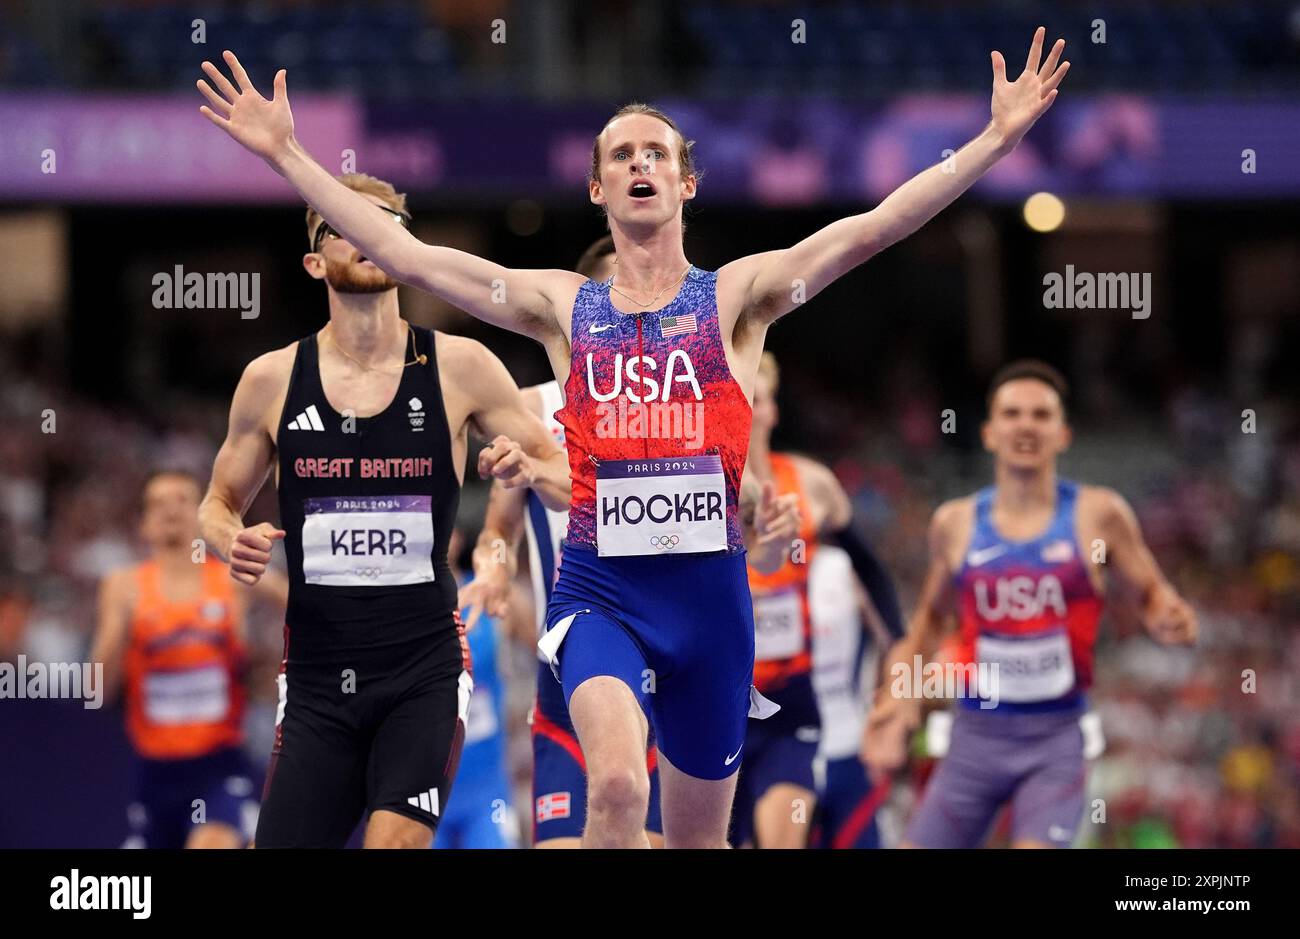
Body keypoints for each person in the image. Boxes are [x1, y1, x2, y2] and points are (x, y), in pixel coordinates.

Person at [196, 29, 1070, 846]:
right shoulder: (559, 306)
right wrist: (284, 153)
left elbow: (872, 228)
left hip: (711, 604)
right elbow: (410, 254)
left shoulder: (736, 299)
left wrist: (992, 143)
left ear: (686, 183)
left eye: (657, 152)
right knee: (615, 788)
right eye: (621, 154)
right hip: (601, 591)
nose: (640, 163)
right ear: (598, 189)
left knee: (694, 837)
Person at [196, 173, 570, 848]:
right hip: (316, 681)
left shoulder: (462, 366)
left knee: (393, 842)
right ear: (314, 262)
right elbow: (217, 503)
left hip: (422, 670)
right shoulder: (273, 378)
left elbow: (569, 477)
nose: (366, 233)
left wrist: (530, 467)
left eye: (382, 220)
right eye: (344, 222)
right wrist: (230, 537)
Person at [864, 360, 1198, 848]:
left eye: (1041, 415)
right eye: (1012, 413)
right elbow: (929, 624)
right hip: (974, 739)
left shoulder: (1098, 514)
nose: (1025, 425)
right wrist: (897, 704)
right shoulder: (955, 523)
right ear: (989, 432)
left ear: (1063, 434)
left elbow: (1153, 591)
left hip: (1055, 742)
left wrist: (1168, 614)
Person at [731, 352, 904, 848]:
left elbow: (873, 574)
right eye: (734, 400)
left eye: (755, 400)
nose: (744, 411)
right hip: (717, 700)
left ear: (771, 411)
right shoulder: (696, 490)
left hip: (789, 703)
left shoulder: (811, 485)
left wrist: (898, 660)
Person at [92, 469, 287, 848]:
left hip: (219, 767)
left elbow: (302, 602)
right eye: (158, 504)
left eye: (182, 500)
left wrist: (283, 668)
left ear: (202, 516)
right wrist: (122, 630)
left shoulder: (234, 580)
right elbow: (96, 690)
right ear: (143, 524)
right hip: (154, 774)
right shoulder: (124, 586)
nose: (171, 511)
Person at [432, 527, 521, 849]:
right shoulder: (397, 610)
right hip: (422, 791)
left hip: (487, 790)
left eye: (441, 529)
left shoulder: (491, 596)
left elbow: (550, 646)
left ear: (456, 538)